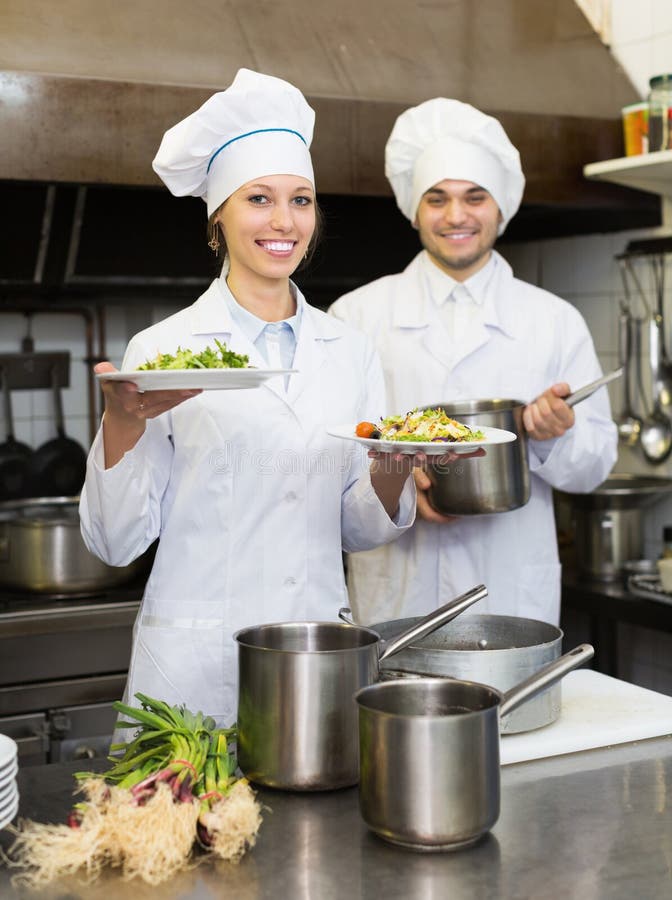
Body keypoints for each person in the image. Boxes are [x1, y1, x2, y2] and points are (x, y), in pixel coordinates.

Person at [79, 69, 457, 725]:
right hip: (194, 669)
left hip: (316, 655)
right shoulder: (162, 352)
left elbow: (359, 527)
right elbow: (116, 544)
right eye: (259, 198)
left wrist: (394, 466)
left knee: (314, 828)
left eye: (302, 200)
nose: (284, 221)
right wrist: (120, 425)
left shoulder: (351, 351)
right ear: (218, 217)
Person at [329, 97, 618, 627]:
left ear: (501, 206)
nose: (456, 216)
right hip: (397, 593)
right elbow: (328, 454)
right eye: (436, 199)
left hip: (509, 591)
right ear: (414, 209)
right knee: (393, 707)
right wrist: (395, 480)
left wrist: (555, 436)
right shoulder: (356, 316)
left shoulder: (553, 321)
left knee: (511, 708)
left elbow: (595, 469)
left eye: (474, 197)